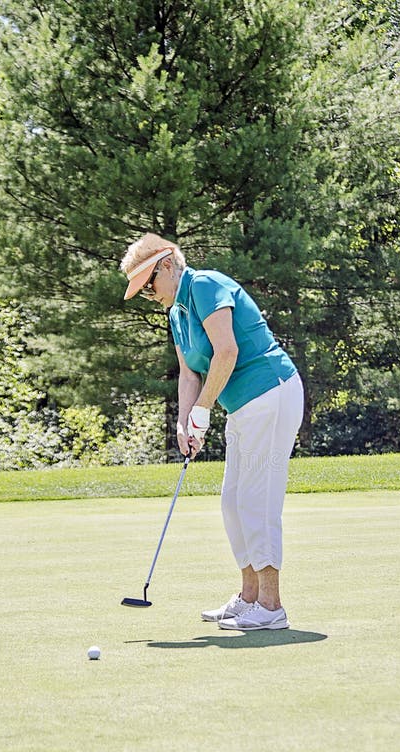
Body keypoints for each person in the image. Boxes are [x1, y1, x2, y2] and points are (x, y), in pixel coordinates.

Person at [120, 233, 304, 630]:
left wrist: (204, 410)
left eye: (148, 284)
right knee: (232, 501)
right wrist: (187, 423)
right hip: (243, 406)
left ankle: (271, 607)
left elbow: (227, 352)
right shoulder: (176, 312)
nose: (149, 295)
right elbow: (190, 372)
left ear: (167, 264)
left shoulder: (205, 285)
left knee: (257, 499)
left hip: (271, 392)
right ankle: (249, 596)